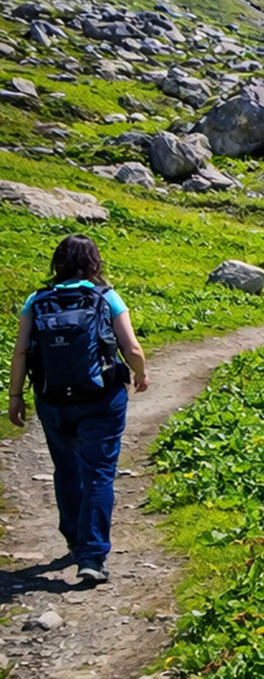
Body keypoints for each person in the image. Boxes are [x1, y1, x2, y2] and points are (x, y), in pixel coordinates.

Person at [8, 234, 148, 585]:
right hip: (101, 399)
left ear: (58, 263)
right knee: (98, 473)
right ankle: (92, 556)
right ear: (95, 262)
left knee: (66, 469)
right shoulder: (105, 296)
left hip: (51, 398)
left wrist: (15, 397)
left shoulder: (36, 300)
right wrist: (141, 374)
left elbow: (21, 352)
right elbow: (130, 346)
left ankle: (73, 537)